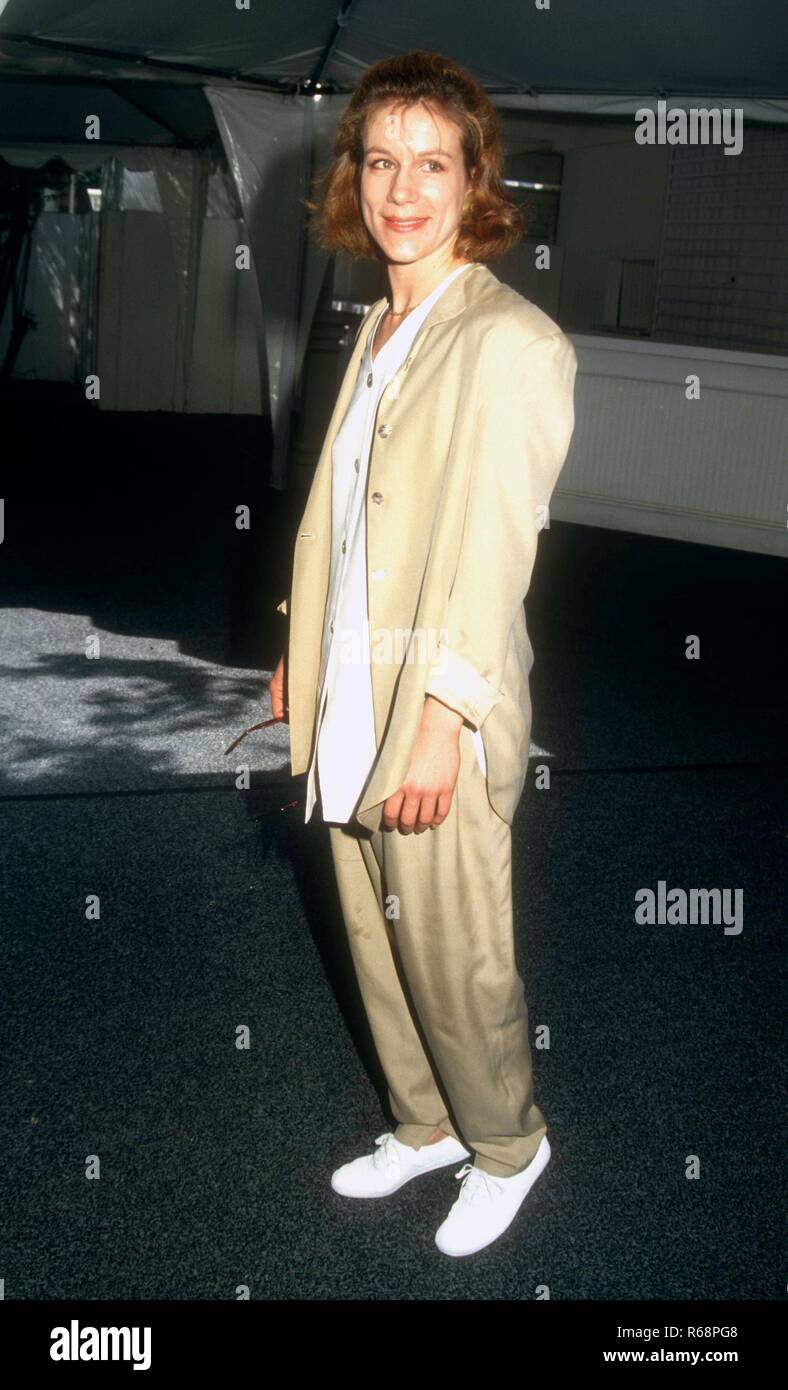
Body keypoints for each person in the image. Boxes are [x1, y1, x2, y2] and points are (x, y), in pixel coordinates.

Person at [268, 50, 577, 1257]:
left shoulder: (510, 342)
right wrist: (301, 652)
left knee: (453, 948)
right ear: (354, 174)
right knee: (372, 927)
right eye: (381, 161)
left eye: (431, 165)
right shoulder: (383, 322)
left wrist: (444, 717)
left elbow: (498, 554)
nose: (401, 191)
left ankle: (506, 1143)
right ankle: (425, 1121)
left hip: (435, 696)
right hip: (355, 679)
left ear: (473, 180)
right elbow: (348, 513)